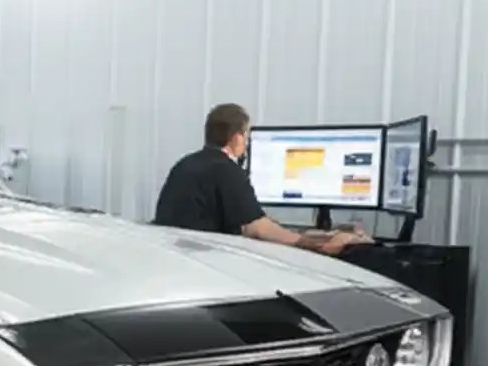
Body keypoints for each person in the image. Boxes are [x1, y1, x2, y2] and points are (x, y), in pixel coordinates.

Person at [153, 103, 368, 255]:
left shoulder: (185, 164)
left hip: (178, 259)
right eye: (246, 135)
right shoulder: (226, 169)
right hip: (210, 262)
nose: (246, 142)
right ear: (237, 137)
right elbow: (256, 228)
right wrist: (313, 242)